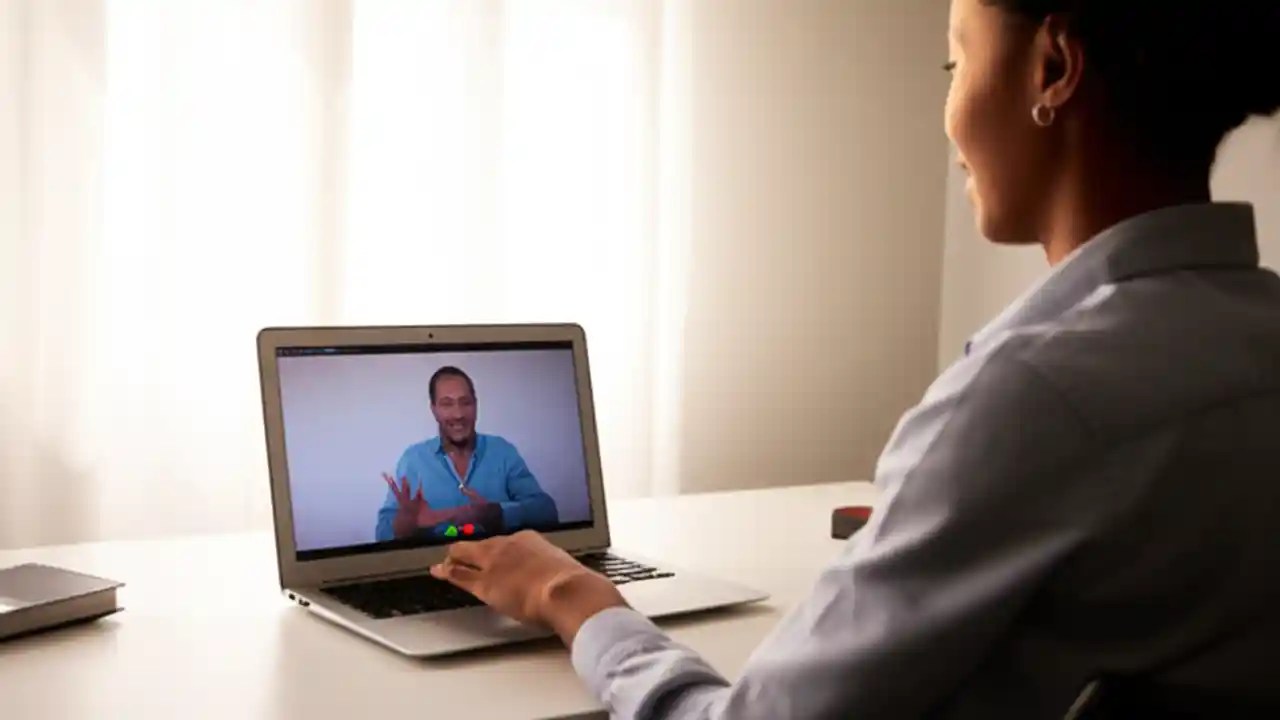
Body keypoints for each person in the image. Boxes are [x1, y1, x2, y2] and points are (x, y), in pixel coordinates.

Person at [430, 1, 1280, 717]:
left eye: (955, 67)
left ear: (1053, 66)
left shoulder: (1034, 401)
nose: (948, 117)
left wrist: (569, 597)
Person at [374, 366, 559, 542]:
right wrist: (403, 526)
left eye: (466, 403)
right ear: (434, 410)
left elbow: (546, 511)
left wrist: (494, 513)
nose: (458, 414)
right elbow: (382, 533)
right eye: (447, 404)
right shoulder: (413, 460)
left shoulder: (502, 451)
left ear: (476, 405)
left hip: (497, 567)